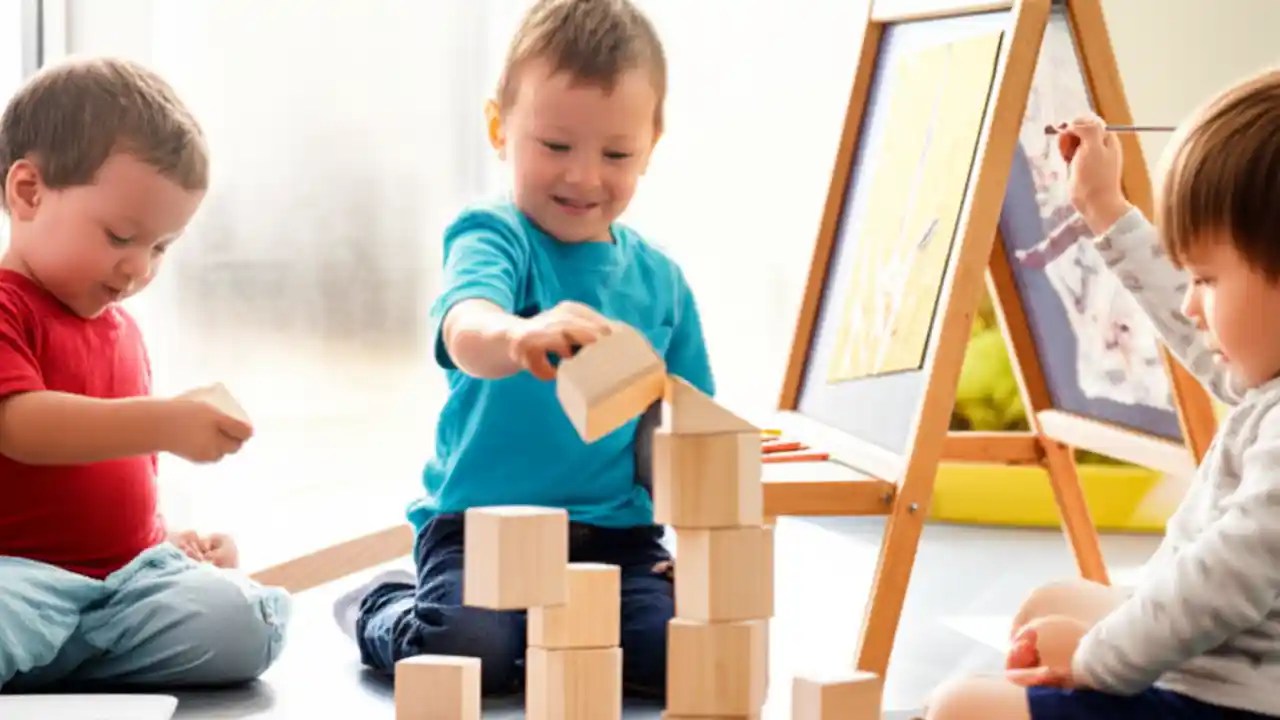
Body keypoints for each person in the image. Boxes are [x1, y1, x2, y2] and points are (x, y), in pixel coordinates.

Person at [333, 0, 713, 699]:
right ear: (499, 128)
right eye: (555, 146)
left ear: (652, 145)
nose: (583, 177)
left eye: (617, 153)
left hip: (615, 541)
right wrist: (517, 333)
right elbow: (465, 326)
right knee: (469, 650)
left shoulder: (663, 284)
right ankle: (382, 605)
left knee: (674, 657)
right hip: (478, 528)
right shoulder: (493, 235)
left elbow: (681, 433)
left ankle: (554, 633)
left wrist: (700, 548)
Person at [924, 69, 1280, 720]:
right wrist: (1103, 210)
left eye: (1206, 278)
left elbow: (1220, 588)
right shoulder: (1269, 383)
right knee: (1047, 607)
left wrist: (1091, 660)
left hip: (1233, 702)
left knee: (958, 709)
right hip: (1224, 662)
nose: (1194, 306)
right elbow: (1194, 324)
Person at [0, 56, 289, 691]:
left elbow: (111, 475)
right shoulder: (6, 306)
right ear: (28, 191)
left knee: (246, 624)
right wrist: (167, 421)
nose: (139, 270)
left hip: (121, 587)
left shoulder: (122, 330)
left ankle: (64, 663)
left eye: (159, 247)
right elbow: (21, 425)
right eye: (120, 236)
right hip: (18, 578)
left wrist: (165, 540)